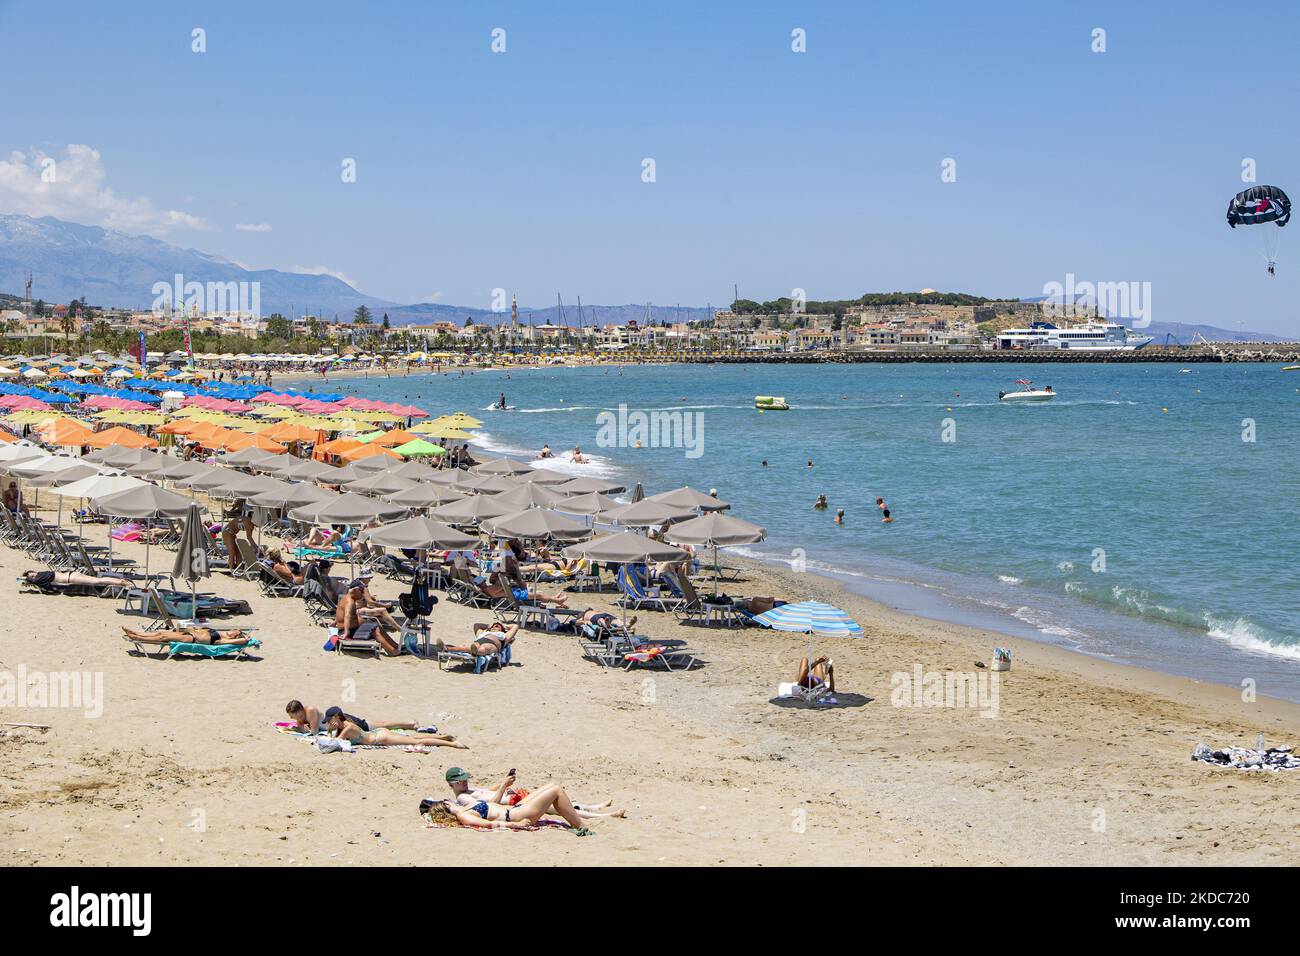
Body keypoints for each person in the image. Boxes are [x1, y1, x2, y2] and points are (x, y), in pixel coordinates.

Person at [443, 767, 623, 820]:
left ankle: (595, 807)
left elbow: (488, 791)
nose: (465, 781)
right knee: (556, 808)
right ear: (452, 784)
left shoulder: (468, 789)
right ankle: (604, 816)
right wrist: (503, 787)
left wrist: (504, 782)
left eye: (465, 778)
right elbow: (492, 804)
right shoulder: (463, 797)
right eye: (461, 780)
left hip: (515, 799)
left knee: (559, 799)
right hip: (513, 807)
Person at [424, 783, 600, 829]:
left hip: (515, 809)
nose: (448, 800)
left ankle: (578, 819)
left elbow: (490, 808)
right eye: (446, 802)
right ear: (446, 807)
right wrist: (515, 825)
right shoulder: (463, 816)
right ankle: (581, 826)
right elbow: (487, 824)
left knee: (551, 786)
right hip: (516, 815)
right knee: (556, 791)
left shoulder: (465, 810)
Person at [326, 712, 467, 749]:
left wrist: (330, 731)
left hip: (380, 738)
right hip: (378, 734)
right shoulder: (346, 724)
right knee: (415, 739)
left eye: (331, 720)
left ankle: (452, 744)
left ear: (337, 717)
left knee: (416, 741)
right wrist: (332, 729)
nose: (330, 722)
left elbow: (337, 742)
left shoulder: (347, 727)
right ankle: (442, 737)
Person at [336, 584, 403, 655]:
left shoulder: (348, 599)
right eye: (362, 593)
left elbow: (340, 616)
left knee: (377, 626)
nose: (362, 596)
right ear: (356, 590)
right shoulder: (349, 601)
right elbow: (347, 616)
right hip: (349, 632)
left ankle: (396, 645)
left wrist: (334, 623)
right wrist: (346, 632)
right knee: (374, 631)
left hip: (353, 628)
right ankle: (392, 651)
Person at [435, 621, 518, 658]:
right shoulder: (483, 633)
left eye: (497, 626)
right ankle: (445, 648)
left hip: (493, 643)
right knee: (465, 647)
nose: (494, 626)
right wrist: (488, 626)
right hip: (480, 641)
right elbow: (476, 625)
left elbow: (515, 626)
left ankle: (476, 652)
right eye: (493, 625)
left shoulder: (504, 635)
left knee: (484, 648)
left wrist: (505, 626)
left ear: (502, 629)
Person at [121, 625, 254, 646]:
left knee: (163, 638)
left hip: (191, 639)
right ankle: (136, 633)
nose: (231, 630)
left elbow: (239, 642)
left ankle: (137, 638)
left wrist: (245, 638)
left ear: (234, 637)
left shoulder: (222, 640)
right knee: (161, 633)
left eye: (234, 631)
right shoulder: (220, 633)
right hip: (189, 633)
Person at [24, 569, 133, 589]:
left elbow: (46, 586)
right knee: (97, 580)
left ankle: (121, 582)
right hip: (71, 575)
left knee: (98, 581)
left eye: (32, 575)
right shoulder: (44, 573)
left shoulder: (40, 577)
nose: (33, 577)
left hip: (71, 578)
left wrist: (30, 581)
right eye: (32, 577)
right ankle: (120, 582)